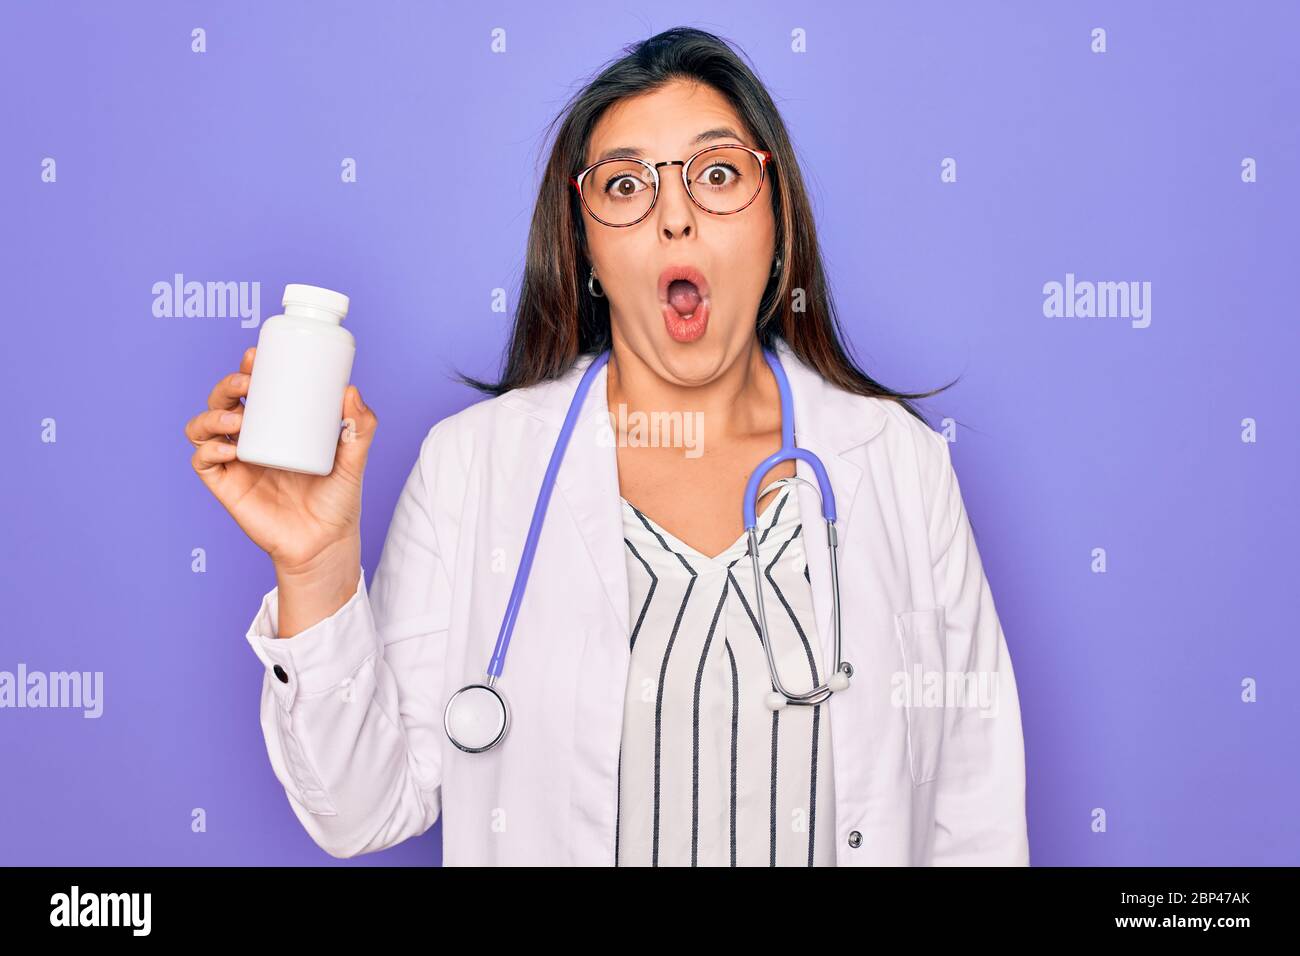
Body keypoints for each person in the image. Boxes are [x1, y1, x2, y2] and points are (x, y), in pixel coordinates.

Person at [185, 27, 1028, 867]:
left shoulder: (899, 467)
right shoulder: (473, 466)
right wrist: (315, 567)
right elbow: (360, 809)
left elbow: (977, 818)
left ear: (778, 217)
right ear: (587, 248)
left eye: (719, 175)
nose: (674, 216)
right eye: (625, 186)